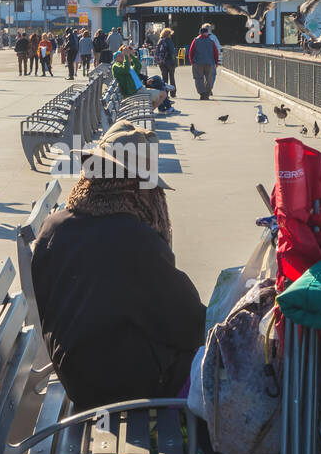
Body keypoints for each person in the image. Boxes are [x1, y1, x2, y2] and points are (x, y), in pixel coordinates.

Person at [30, 120, 205, 409]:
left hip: (75, 376)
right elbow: (189, 324)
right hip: (124, 385)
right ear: (137, 184)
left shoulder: (53, 227)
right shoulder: (136, 239)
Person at [112, 41, 167, 110]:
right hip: (134, 92)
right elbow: (125, 69)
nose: (121, 56)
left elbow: (138, 66)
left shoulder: (126, 65)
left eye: (121, 55)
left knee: (158, 83)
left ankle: (150, 110)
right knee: (163, 94)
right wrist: (126, 56)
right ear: (115, 59)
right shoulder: (116, 66)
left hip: (140, 89)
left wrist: (131, 55)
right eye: (119, 56)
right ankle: (151, 110)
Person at [188, 23, 220, 99]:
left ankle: (202, 93)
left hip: (198, 63)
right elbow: (216, 52)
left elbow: (191, 52)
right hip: (210, 63)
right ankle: (208, 92)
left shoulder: (195, 41)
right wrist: (216, 62)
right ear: (207, 33)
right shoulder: (211, 41)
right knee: (210, 78)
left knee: (199, 78)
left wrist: (192, 61)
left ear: (200, 33)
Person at [155, 26, 178, 97]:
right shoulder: (168, 41)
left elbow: (157, 52)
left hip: (161, 62)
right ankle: (173, 93)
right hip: (169, 62)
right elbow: (172, 52)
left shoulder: (160, 41)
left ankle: (165, 93)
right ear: (168, 34)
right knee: (171, 77)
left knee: (164, 78)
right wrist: (175, 62)